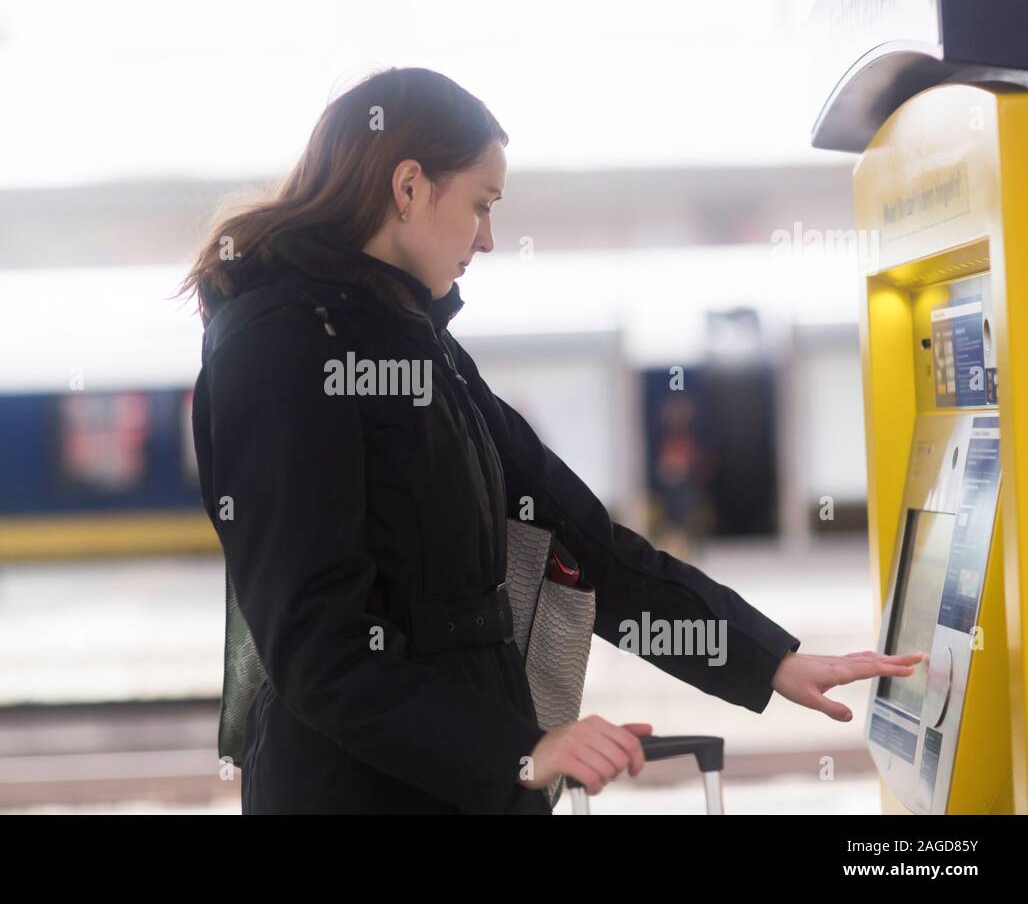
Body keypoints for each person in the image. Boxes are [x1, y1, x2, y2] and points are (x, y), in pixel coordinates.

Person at [177, 66, 922, 814]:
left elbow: (582, 543)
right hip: (359, 790)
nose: (491, 240)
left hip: (467, 777)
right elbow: (317, 643)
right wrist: (519, 750)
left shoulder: (420, 347)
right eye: (481, 205)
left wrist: (767, 661)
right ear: (408, 187)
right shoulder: (281, 345)